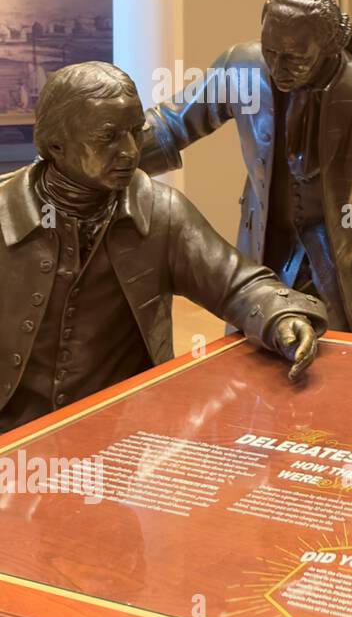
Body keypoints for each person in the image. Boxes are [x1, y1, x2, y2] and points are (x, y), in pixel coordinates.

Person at [0, 62, 325, 433]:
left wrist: (280, 316)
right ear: (56, 144)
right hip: (13, 430)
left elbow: (236, 283)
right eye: (108, 137)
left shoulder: (160, 212)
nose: (130, 151)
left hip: (123, 427)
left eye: (135, 132)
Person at [139, 0, 352, 336]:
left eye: (295, 58)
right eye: (270, 51)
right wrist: (110, 149)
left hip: (349, 267)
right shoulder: (241, 69)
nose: (278, 67)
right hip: (265, 255)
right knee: (253, 367)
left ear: (327, 48)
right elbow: (172, 123)